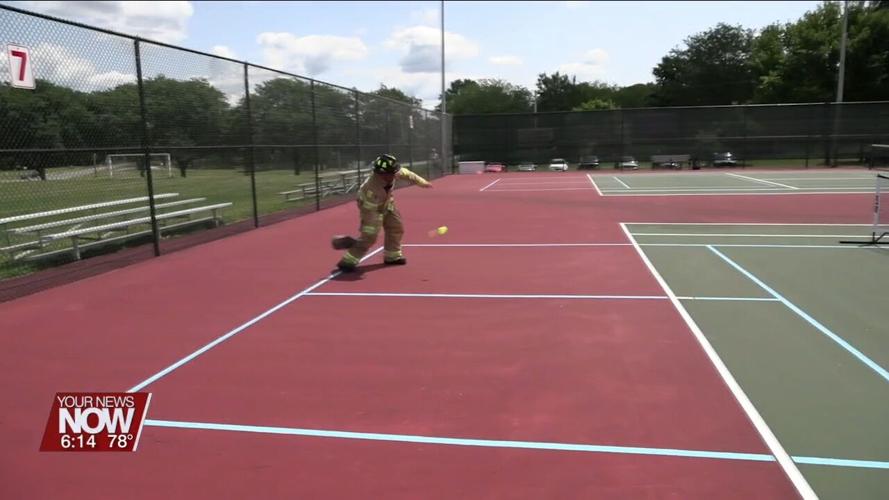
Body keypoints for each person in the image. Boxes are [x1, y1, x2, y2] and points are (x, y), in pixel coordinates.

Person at [333, 154, 432, 272]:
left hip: (387, 203)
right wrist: (378, 222)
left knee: (396, 227)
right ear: (381, 174)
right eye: (390, 174)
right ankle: (348, 261)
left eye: (394, 172)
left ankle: (392, 256)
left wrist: (422, 182)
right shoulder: (372, 188)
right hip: (370, 208)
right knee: (370, 236)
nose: (393, 176)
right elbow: (374, 209)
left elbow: (408, 174)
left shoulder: (395, 172)